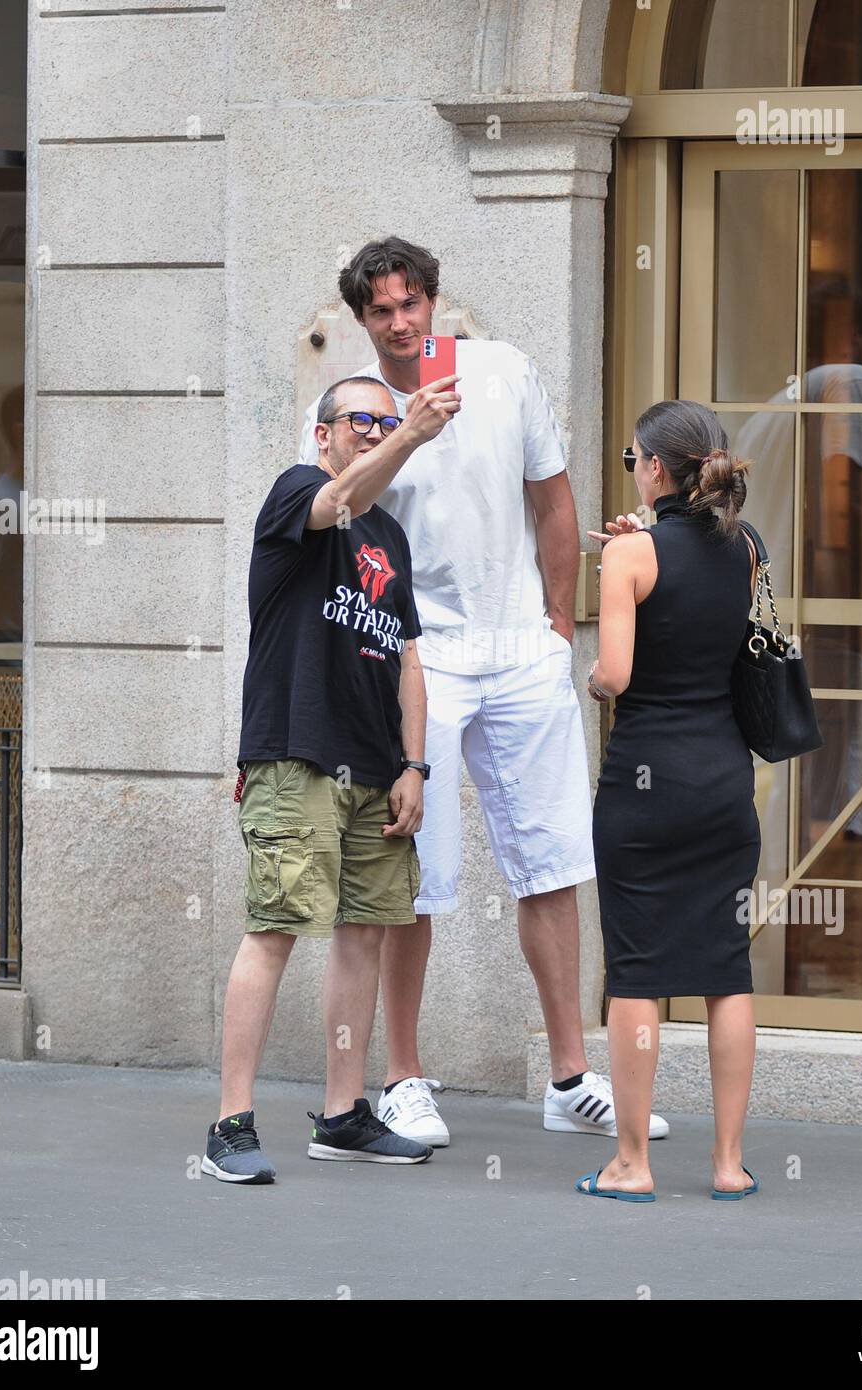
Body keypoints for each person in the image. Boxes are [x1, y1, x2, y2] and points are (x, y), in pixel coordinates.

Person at [300, 237, 668, 1146]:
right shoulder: (347, 405)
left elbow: (552, 501)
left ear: (434, 300)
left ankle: (570, 1077)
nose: (398, 322)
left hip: (520, 650)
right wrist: (405, 430)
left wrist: (556, 621)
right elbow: (332, 517)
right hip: (414, 656)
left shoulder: (504, 372)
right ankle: (404, 1078)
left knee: (552, 861)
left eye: (410, 303)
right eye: (379, 310)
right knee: (415, 877)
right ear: (360, 320)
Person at [203, 371, 460, 1182]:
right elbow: (335, 505)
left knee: (364, 937)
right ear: (322, 434)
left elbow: (409, 658)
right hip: (297, 752)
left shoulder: (392, 534)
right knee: (277, 926)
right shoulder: (298, 490)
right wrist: (416, 434)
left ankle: (346, 1113)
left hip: (376, 767)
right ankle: (229, 1125)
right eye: (362, 420)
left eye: (389, 422)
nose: (378, 430)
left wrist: (414, 764)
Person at [577, 400, 761, 1202]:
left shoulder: (630, 558)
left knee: (639, 970)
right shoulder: (747, 547)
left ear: (654, 468)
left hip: (646, 780)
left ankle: (632, 1164)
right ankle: (728, 1165)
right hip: (724, 774)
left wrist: (591, 676)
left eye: (633, 459)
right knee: (727, 968)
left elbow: (614, 673)